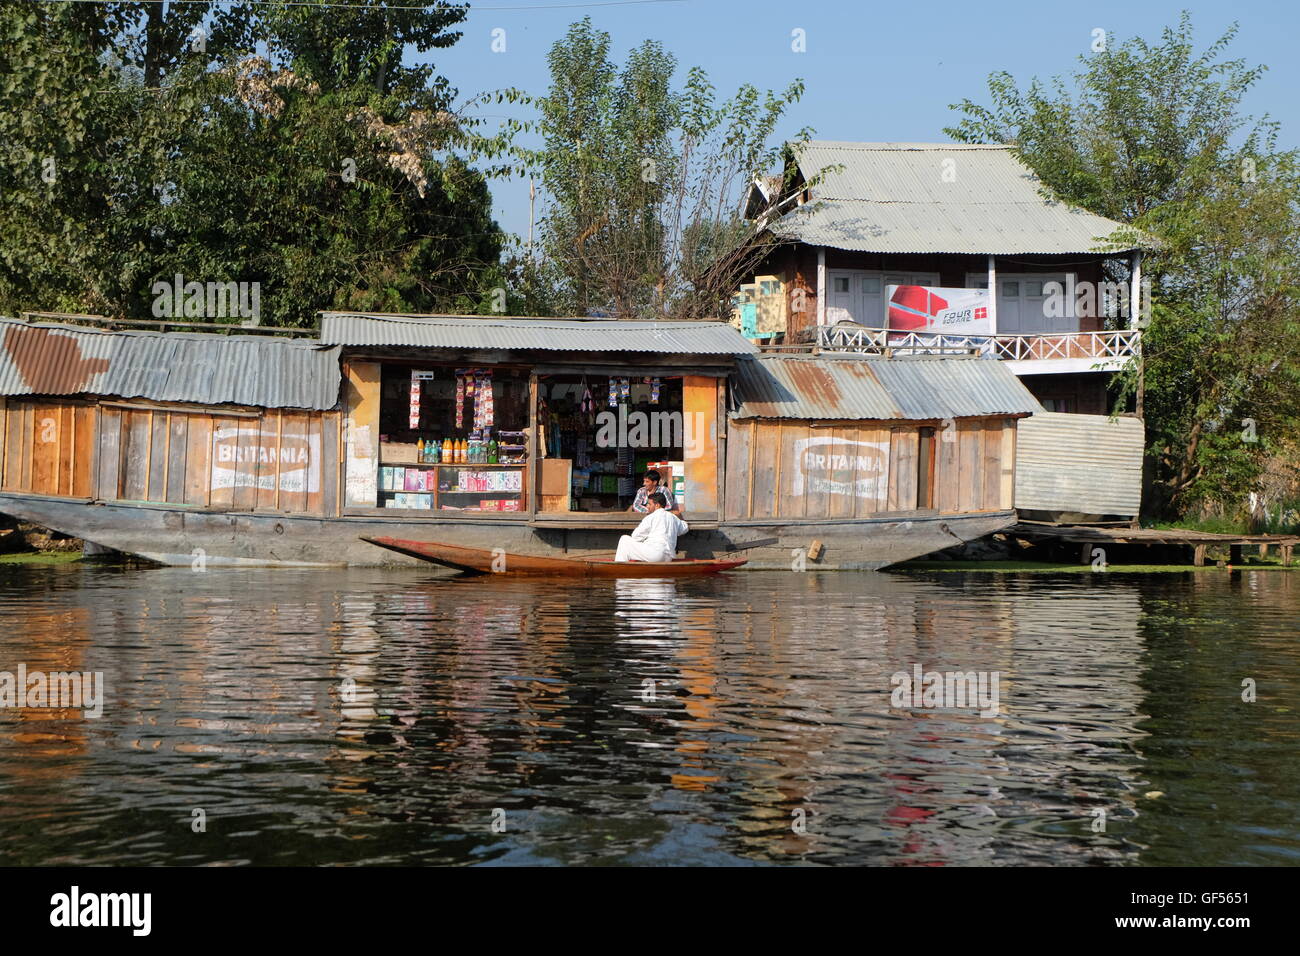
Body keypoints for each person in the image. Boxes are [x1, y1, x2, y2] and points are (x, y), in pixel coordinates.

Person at [615, 492, 688, 563]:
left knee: (624, 539)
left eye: (649, 504)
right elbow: (685, 528)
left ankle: (619, 568)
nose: (647, 506)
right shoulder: (673, 517)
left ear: (657, 505)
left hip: (655, 555)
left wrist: (645, 540)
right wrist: (679, 516)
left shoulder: (651, 517)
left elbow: (635, 536)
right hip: (668, 557)